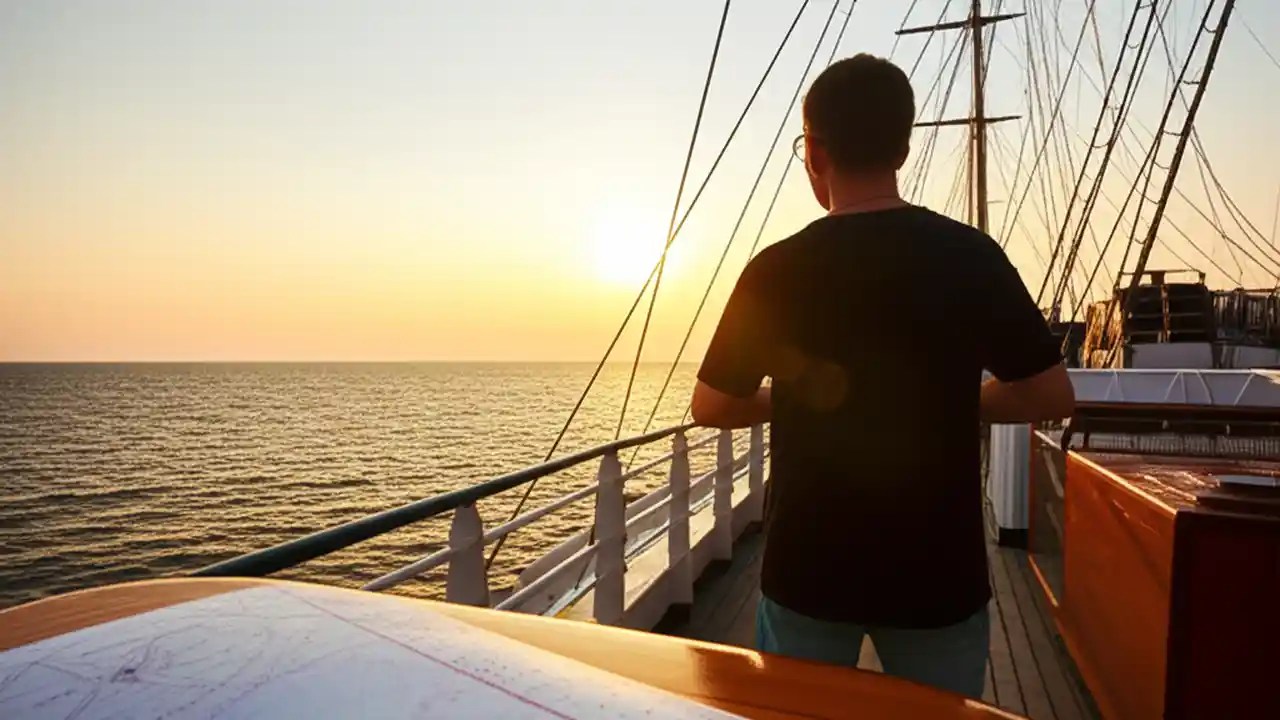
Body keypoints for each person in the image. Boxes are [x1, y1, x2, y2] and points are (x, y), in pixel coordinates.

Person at [689, 54, 1075, 699]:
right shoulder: (969, 256)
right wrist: (949, 400)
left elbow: (711, 404)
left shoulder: (776, 270)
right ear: (902, 146)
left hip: (809, 570)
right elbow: (1051, 393)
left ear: (814, 152)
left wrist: (791, 398)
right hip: (936, 575)